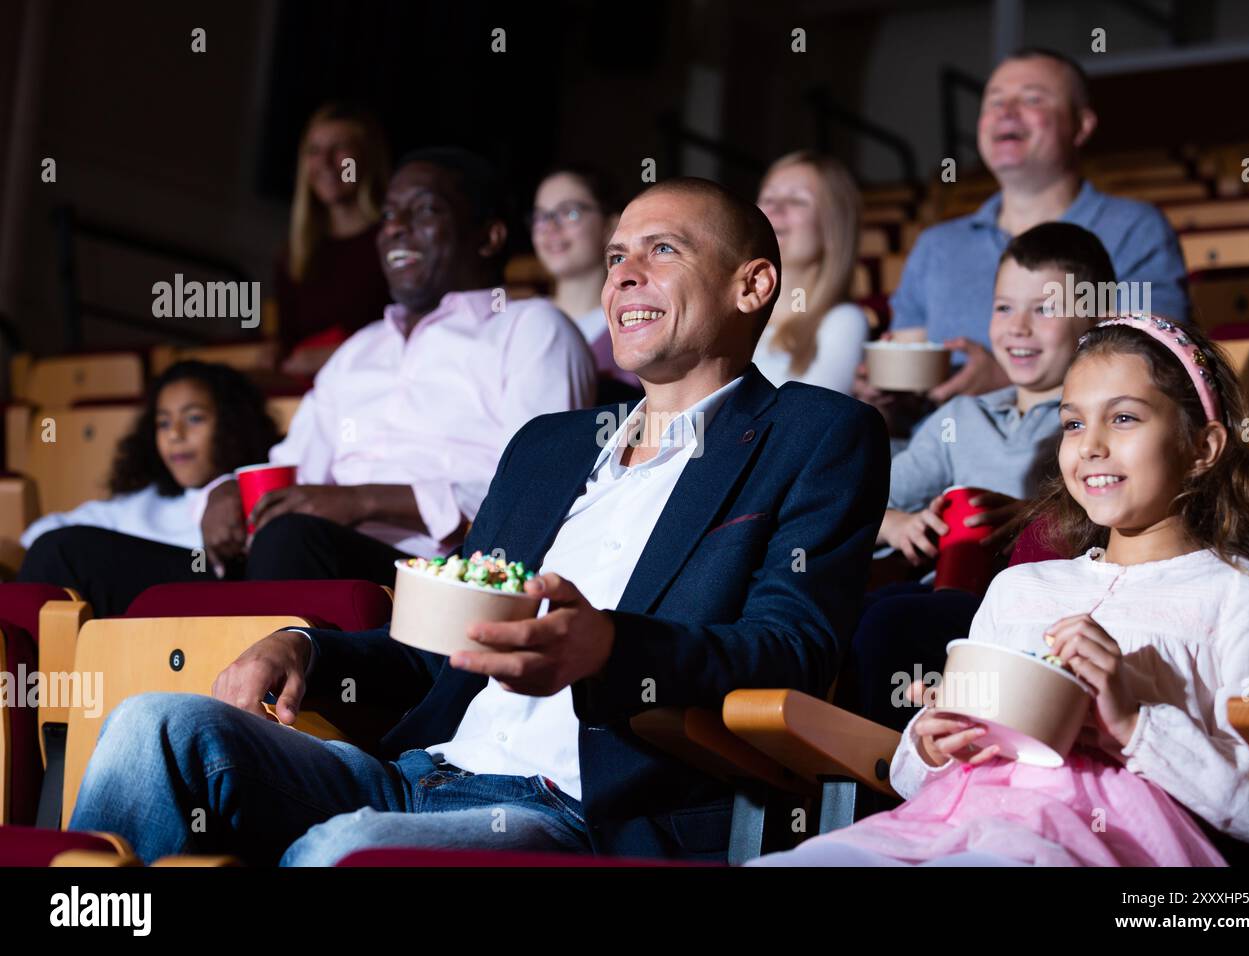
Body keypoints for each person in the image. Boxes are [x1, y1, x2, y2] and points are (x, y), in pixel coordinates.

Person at [68, 177, 891, 865]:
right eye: (615, 258)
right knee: (151, 725)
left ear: (752, 285)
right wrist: (305, 646)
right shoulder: (548, 447)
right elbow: (441, 652)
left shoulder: (815, 435)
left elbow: (792, 647)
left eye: (662, 250)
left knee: (343, 851)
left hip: (582, 812)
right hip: (419, 773)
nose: (624, 275)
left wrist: (609, 649)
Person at [756, 317, 1249, 865]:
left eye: (1125, 418)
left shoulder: (1238, 596)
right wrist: (932, 743)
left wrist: (1135, 724)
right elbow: (918, 778)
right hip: (947, 824)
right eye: (1072, 424)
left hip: (1100, 842)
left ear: (1203, 448)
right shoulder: (1020, 587)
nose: (1091, 446)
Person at [199, 148, 597, 589]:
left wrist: (365, 502)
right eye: (388, 213)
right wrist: (226, 492)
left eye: (424, 210)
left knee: (290, 539)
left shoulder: (533, 329)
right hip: (306, 551)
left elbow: (535, 493)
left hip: (443, 574)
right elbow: (292, 467)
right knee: (113, 561)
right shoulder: (359, 349)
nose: (395, 227)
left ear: (488, 237)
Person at [846, 222, 1115, 729]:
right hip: (944, 585)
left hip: (1036, 613)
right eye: (1004, 307)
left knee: (892, 623)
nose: (1018, 327)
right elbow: (857, 501)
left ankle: (897, 777)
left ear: (1096, 317)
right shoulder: (962, 418)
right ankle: (844, 773)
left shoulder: (1095, 420)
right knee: (847, 614)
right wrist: (900, 524)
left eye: (1045, 309)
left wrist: (1037, 519)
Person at [855, 48, 1188, 434]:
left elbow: (1153, 367)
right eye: (994, 102)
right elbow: (908, 366)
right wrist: (885, 397)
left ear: (1081, 125)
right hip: (937, 460)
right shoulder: (938, 245)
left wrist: (1008, 379)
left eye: (1032, 99)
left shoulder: (1134, 228)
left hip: (1069, 460)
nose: (1006, 111)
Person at [17, 362, 280, 615]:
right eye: (163, 423)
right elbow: (42, 534)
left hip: (219, 608)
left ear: (233, 425)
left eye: (194, 418)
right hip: (139, 629)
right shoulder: (143, 501)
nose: (175, 434)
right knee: (56, 552)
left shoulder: (249, 490)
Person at [274, 102, 393, 378]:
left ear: (368, 158)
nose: (325, 163)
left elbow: (412, 335)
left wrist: (340, 352)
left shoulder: (394, 241)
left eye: (340, 149)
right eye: (314, 151)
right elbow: (289, 341)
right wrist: (277, 353)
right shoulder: (295, 251)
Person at [754, 150, 869, 394]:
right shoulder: (726, 310)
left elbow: (811, 424)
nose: (775, 208)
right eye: (768, 197)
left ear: (832, 228)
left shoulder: (842, 321)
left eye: (797, 201)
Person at [530, 166, 638, 390]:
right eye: (541, 216)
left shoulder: (634, 325)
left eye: (570, 213)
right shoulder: (522, 320)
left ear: (610, 226)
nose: (549, 227)